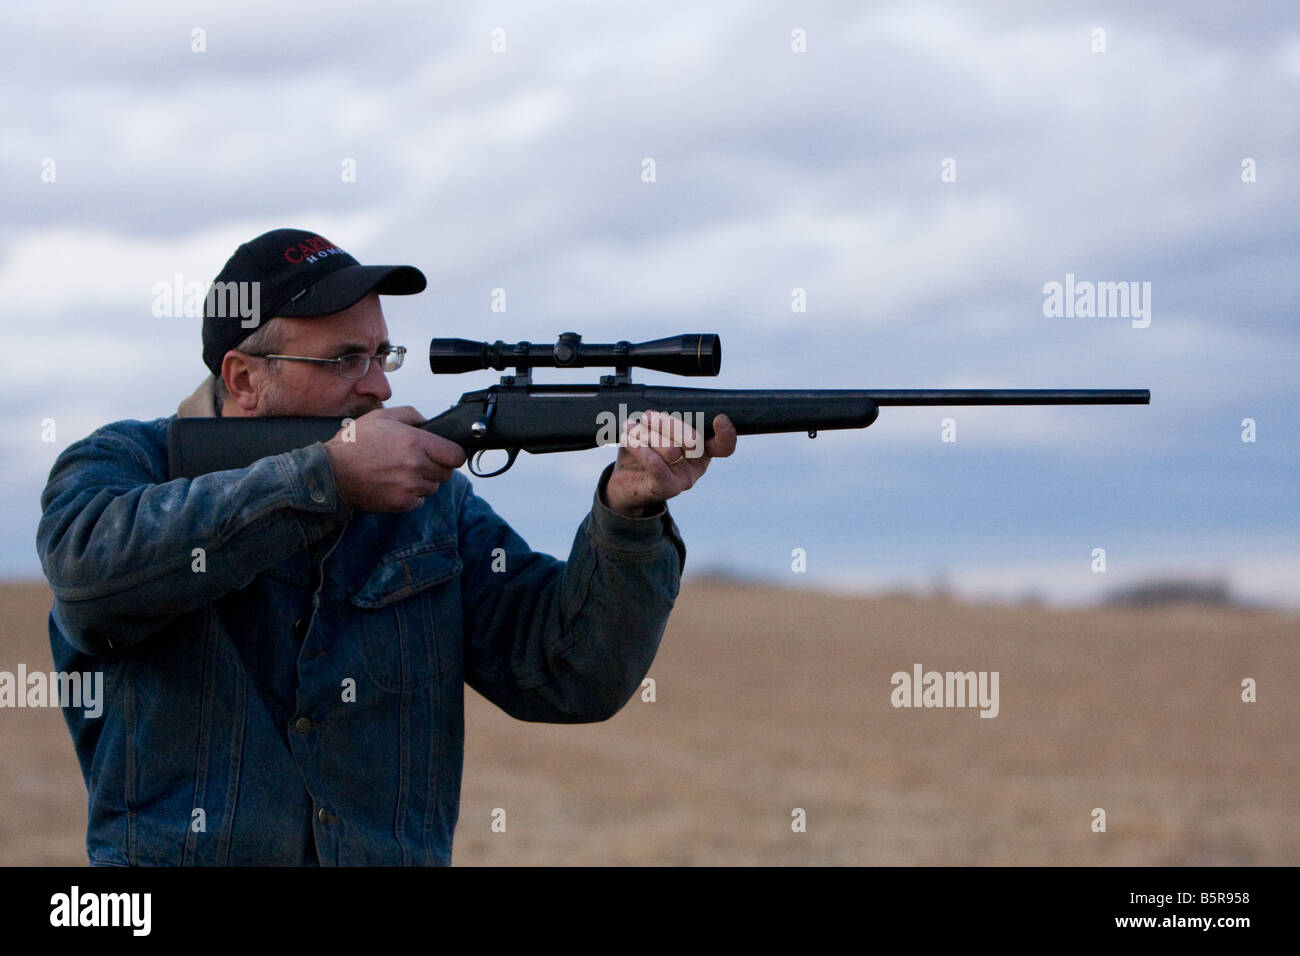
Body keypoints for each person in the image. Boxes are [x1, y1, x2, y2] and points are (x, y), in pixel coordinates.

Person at [36, 227, 736, 865]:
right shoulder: (131, 463)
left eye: (381, 354)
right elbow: (89, 580)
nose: (380, 385)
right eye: (345, 360)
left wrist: (628, 511)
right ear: (244, 380)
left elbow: (567, 672)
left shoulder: (432, 504)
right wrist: (326, 479)